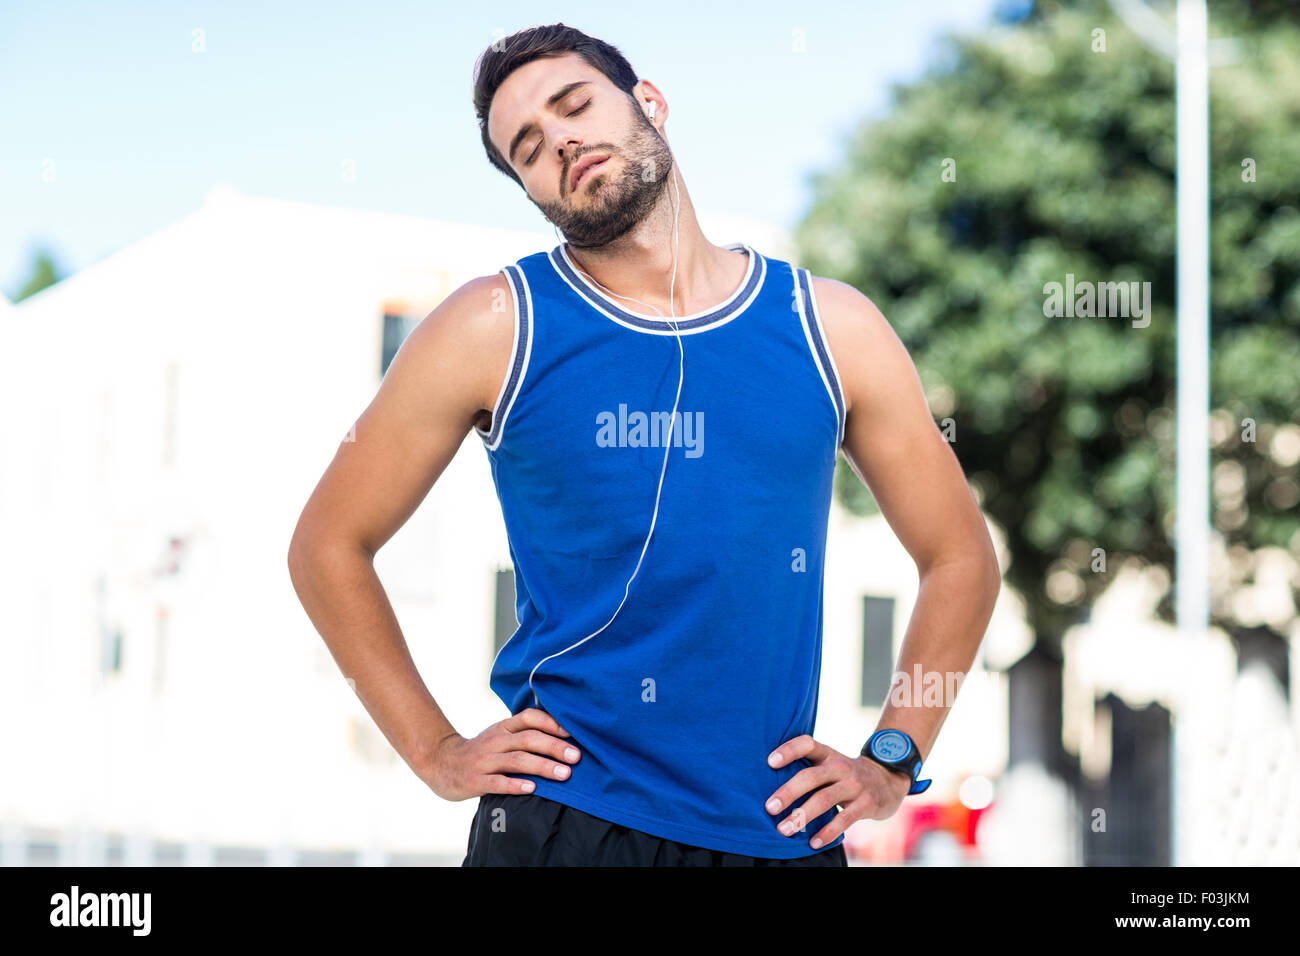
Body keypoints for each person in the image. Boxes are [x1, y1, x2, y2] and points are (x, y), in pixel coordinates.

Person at [287, 22, 1001, 867]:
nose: (561, 141)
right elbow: (327, 546)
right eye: (528, 147)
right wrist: (436, 752)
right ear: (529, 189)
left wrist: (893, 759)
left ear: (649, 104)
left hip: (780, 833)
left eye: (573, 105)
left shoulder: (830, 327)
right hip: (564, 825)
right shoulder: (492, 327)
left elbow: (960, 557)